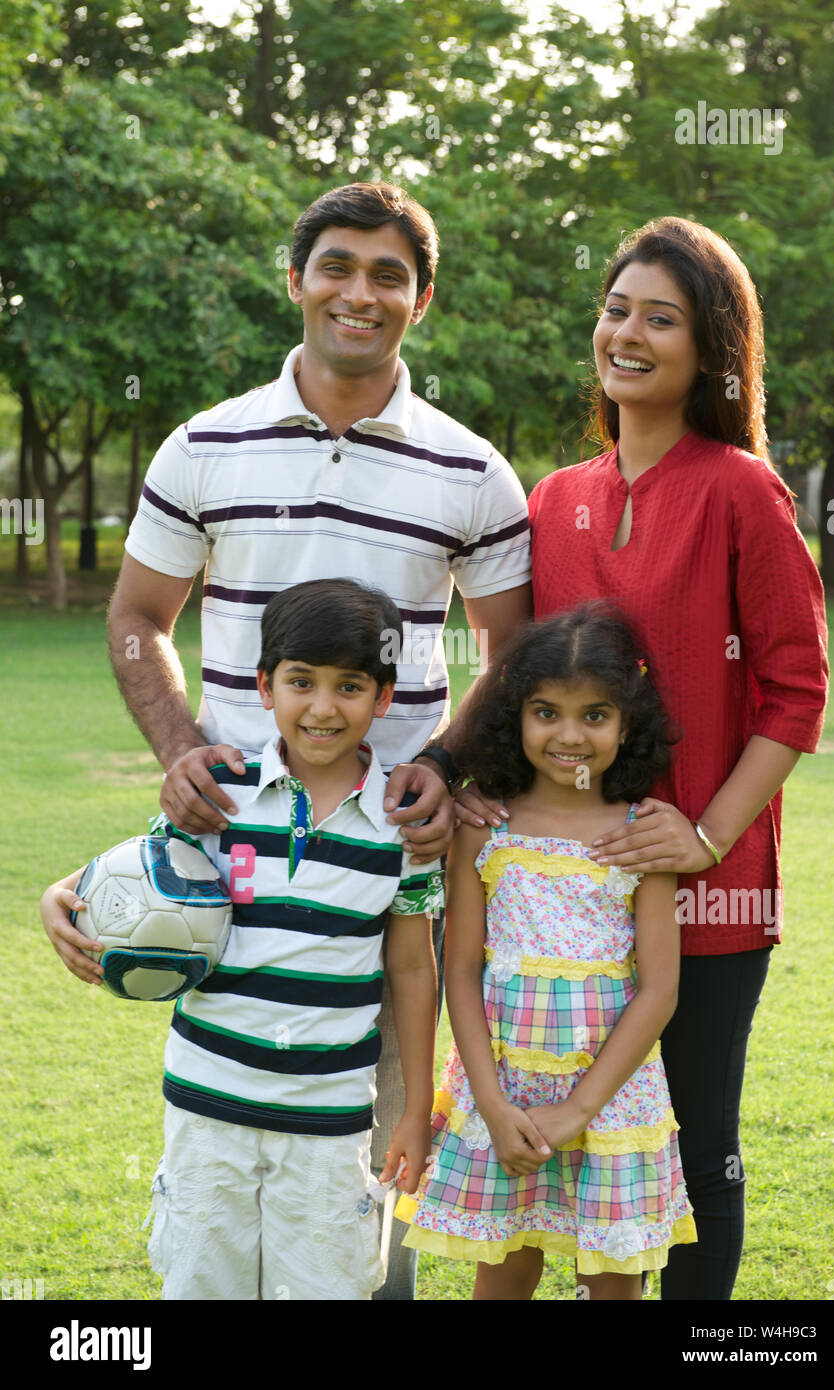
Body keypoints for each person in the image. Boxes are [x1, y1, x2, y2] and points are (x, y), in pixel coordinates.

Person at [87, 182, 533, 1298]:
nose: (359, 292)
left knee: (358, 1215)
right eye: (337, 265)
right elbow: (139, 620)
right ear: (296, 279)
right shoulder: (204, 443)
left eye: (390, 275)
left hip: (393, 858)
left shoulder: (471, 470)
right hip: (234, 860)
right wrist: (182, 746)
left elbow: (508, 648)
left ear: (420, 300)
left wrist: (440, 767)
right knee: (218, 1197)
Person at [460, 217, 829, 1299]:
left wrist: (706, 833)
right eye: (616, 309)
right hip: (555, 895)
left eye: (659, 318)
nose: (627, 332)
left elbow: (796, 694)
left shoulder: (744, 490)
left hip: (704, 894)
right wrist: (470, 788)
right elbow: (513, 683)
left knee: (690, 1145)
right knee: (567, 1152)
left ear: (710, 350)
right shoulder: (553, 498)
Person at [42, 579, 442, 1301]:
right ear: (264, 686)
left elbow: (413, 970)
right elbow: (133, 875)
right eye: (300, 682)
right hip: (206, 1108)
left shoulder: (402, 826)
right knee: (203, 1287)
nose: (322, 707)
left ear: (383, 699)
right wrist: (55, 894)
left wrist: (413, 1109)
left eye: (349, 686)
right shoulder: (218, 794)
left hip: (328, 1125)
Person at [397, 606, 697, 1300]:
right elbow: (462, 972)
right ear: (516, 715)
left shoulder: (642, 834)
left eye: (595, 715)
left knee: (613, 1278)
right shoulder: (484, 829)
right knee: (504, 1266)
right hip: (504, 1091)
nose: (569, 736)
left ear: (628, 722)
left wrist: (580, 1110)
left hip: (612, 1100)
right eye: (546, 712)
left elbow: (658, 990)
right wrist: (492, 1106)